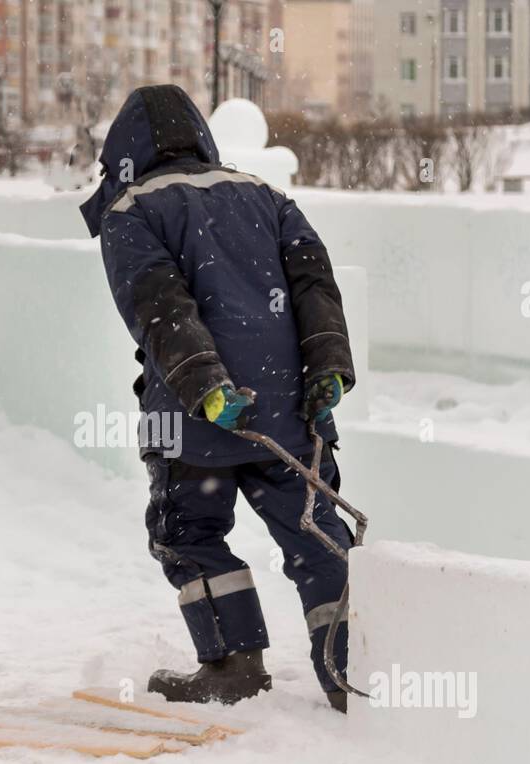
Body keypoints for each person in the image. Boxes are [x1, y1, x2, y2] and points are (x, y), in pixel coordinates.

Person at [80, 85, 357, 712]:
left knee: (187, 532)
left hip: (193, 420)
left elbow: (160, 308)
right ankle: (352, 669)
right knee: (318, 538)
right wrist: (328, 370)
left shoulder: (130, 211)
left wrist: (208, 387)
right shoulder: (266, 195)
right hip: (291, 414)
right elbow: (315, 283)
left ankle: (234, 664)